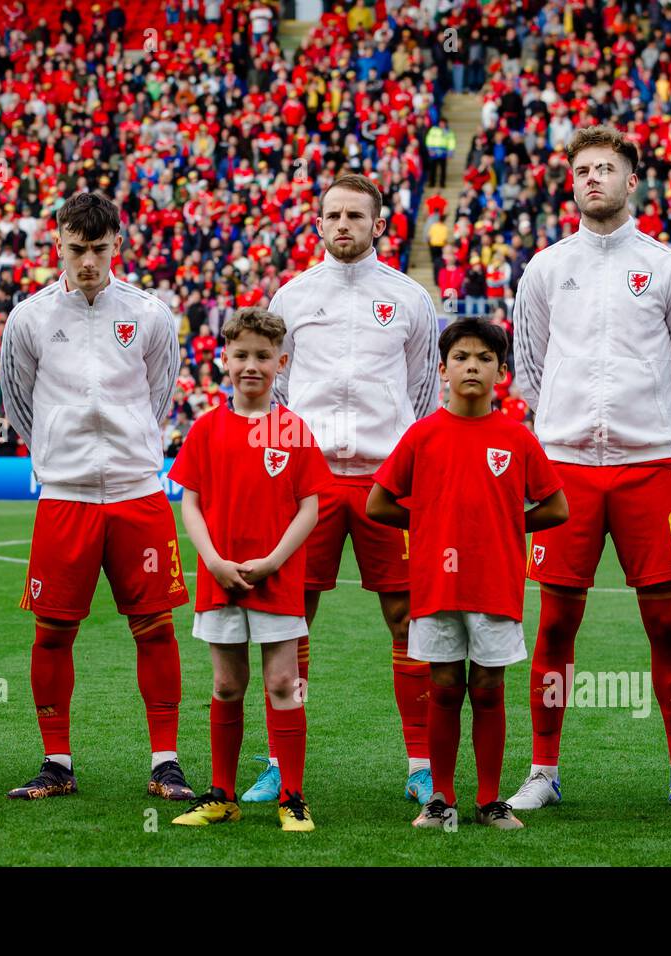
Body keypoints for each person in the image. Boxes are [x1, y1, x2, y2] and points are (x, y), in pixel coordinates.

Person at [509, 125, 671, 813]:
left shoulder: (668, 267)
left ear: (633, 182)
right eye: (583, 170)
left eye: (607, 168)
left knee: (666, 626)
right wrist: (567, 427)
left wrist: (653, 427)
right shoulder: (544, 267)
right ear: (571, 184)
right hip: (565, 470)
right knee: (554, 626)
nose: (593, 178)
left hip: (648, 468)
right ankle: (544, 769)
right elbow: (531, 370)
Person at [253, 171, 440, 806]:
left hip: (385, 482)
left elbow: (419, 390)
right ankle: (279, 762)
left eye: (355, 216)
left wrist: (396, 454)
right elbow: (278, 389)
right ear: (319, 221)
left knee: (405, 617)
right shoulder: (293, 296)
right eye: (333, 215)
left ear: (378, 224)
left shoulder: (409, 298)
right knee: (289, 619)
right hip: (309, 484)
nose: (342, 226)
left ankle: (421, 763)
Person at [1, 191, 194, 802]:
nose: (88, 262)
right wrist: (61, 456)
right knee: (53, 632)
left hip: (137, 491)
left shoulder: (151, 313)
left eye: (100, 250)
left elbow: (158, 396)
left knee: (155, 626)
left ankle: (165, 762)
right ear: (58, 243)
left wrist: (130, 447)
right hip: (66, 495)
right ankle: (56, 762)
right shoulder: (29, 317)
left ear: (119, 245)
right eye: (77, 249)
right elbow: (19, 403)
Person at [368, 318, 567, 830]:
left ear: (502, 372)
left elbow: (558, 506)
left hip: (495, 584)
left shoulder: (516, 438)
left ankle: (488, 800)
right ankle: (441, 798)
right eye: (461, 358)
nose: (471, 366)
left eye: (483, 358)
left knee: (487, 687)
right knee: (445, 685)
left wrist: (506, 523)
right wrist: (433, 518)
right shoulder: (423, 435)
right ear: (442, 369)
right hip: (436, 584)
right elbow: (378, 502)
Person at [168, 307, 331, 831]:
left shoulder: (293, 429)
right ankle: (221, 794)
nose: (252, 365)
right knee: (226, 684)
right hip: (220, 578)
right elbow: (189, 502)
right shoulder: (207, 428)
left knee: (284, 682)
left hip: (276, 579)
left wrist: (274, 561)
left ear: (281, 362)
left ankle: (293, 796)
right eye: (241, 355)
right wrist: (213, 560)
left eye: (263, 356)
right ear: (224, 360)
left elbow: (310, 505)